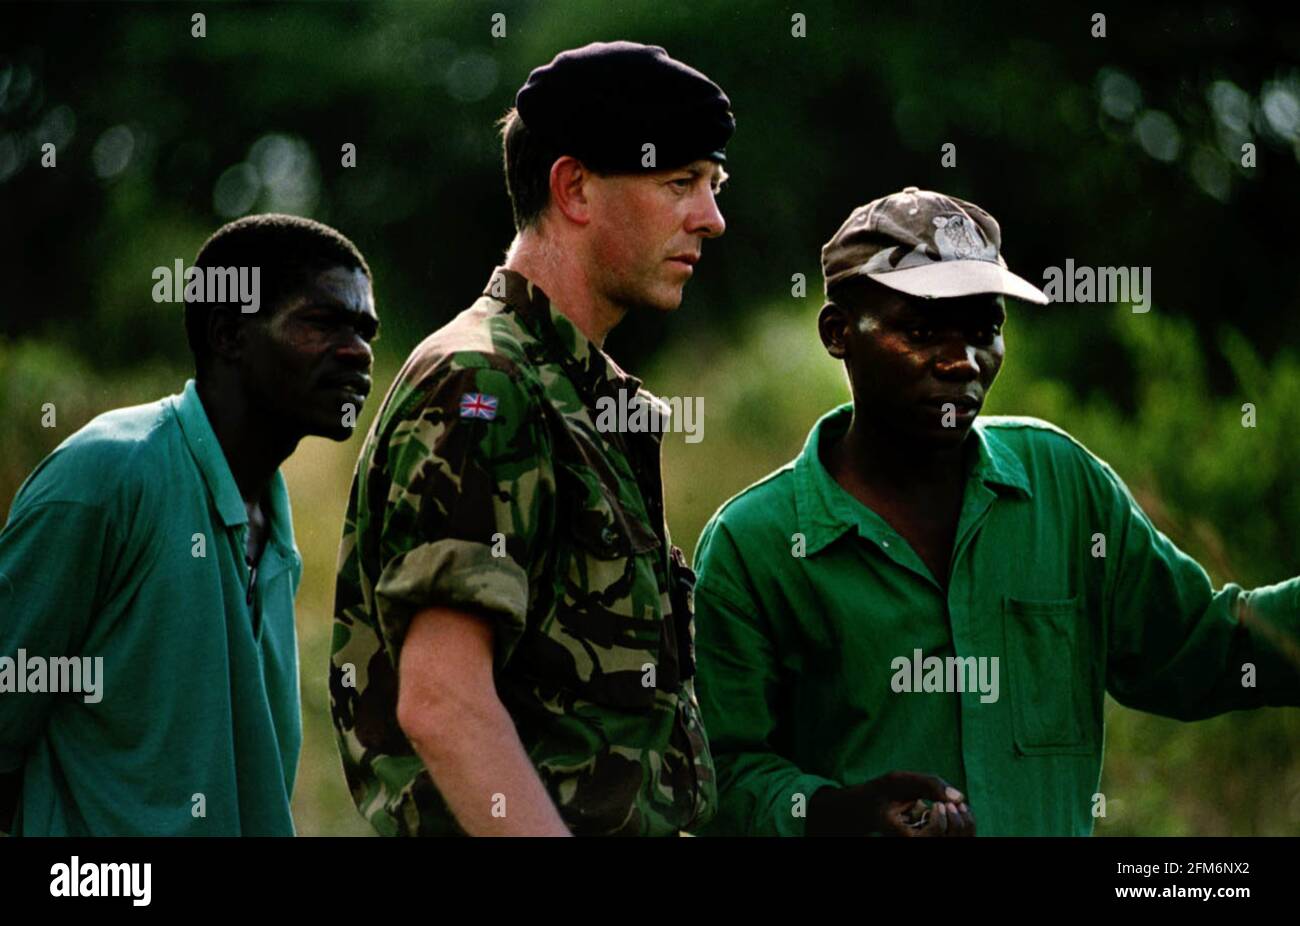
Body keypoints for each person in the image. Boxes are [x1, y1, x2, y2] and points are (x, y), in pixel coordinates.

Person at [693, 186, 1299, 836]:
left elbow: (1203, 651)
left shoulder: (1061, 485)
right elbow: (719, 775)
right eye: (922, 332)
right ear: (838, 334)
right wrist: (835, 814)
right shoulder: (752, 546)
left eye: (984, 330)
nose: (961, 362)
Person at [329, 40, 737, 836]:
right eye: (680, 183)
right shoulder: (483, 384)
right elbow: (443, 701)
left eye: (715, 185)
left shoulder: (579, 392)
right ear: (575, 187)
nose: (712, 219)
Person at [0, 214, 379, 835]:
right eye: (321, 322)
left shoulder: (276, 528)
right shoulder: (108, 478)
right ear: (229, 333)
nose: (358, 351)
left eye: (365, 330)